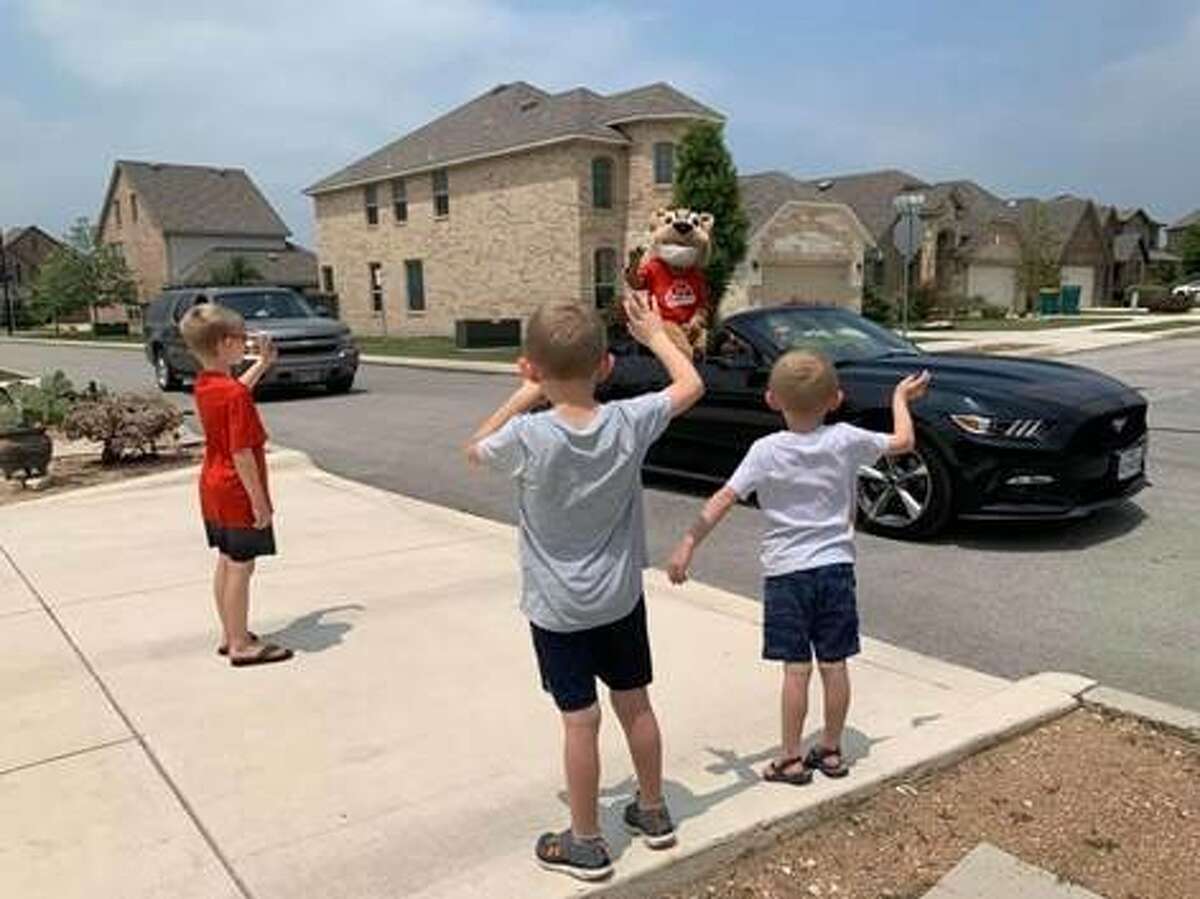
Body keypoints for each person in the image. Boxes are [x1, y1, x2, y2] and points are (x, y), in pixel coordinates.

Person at [465, 295, 704, 881]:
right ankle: (652, 812)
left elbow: (475, 449)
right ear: (605, 367)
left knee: (580, 722)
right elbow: (691, 383)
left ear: (530, 366)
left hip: (558, 609)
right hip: (620, 600)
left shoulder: (527, 437)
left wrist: (526, 393)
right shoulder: (629, 419)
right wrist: (655, 337)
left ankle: (587, 840)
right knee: (636, 704)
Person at [667, 351, 929, 785]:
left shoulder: (764, 451)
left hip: (786, 574)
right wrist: (901, 397)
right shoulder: (845, 438)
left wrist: (688, 543)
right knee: (834, 663)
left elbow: (725, 498)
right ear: (836, 399)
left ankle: (789, 758)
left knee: (796, 670)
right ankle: (830, 748)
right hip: (836, 568)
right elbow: (903, 442)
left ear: (772, 399)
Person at [180, 303, 293, 668]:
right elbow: (243, 452)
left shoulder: (207, 384)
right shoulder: (234, 395)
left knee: (228, 561)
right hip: (236, 489)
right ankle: (242, 645)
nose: (246, 343)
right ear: (225, 343)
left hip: (213, 486)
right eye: (242, 338)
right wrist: (260, 502)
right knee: (242, 567)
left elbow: (234, 393)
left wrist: (260, 365)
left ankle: (231, 634)